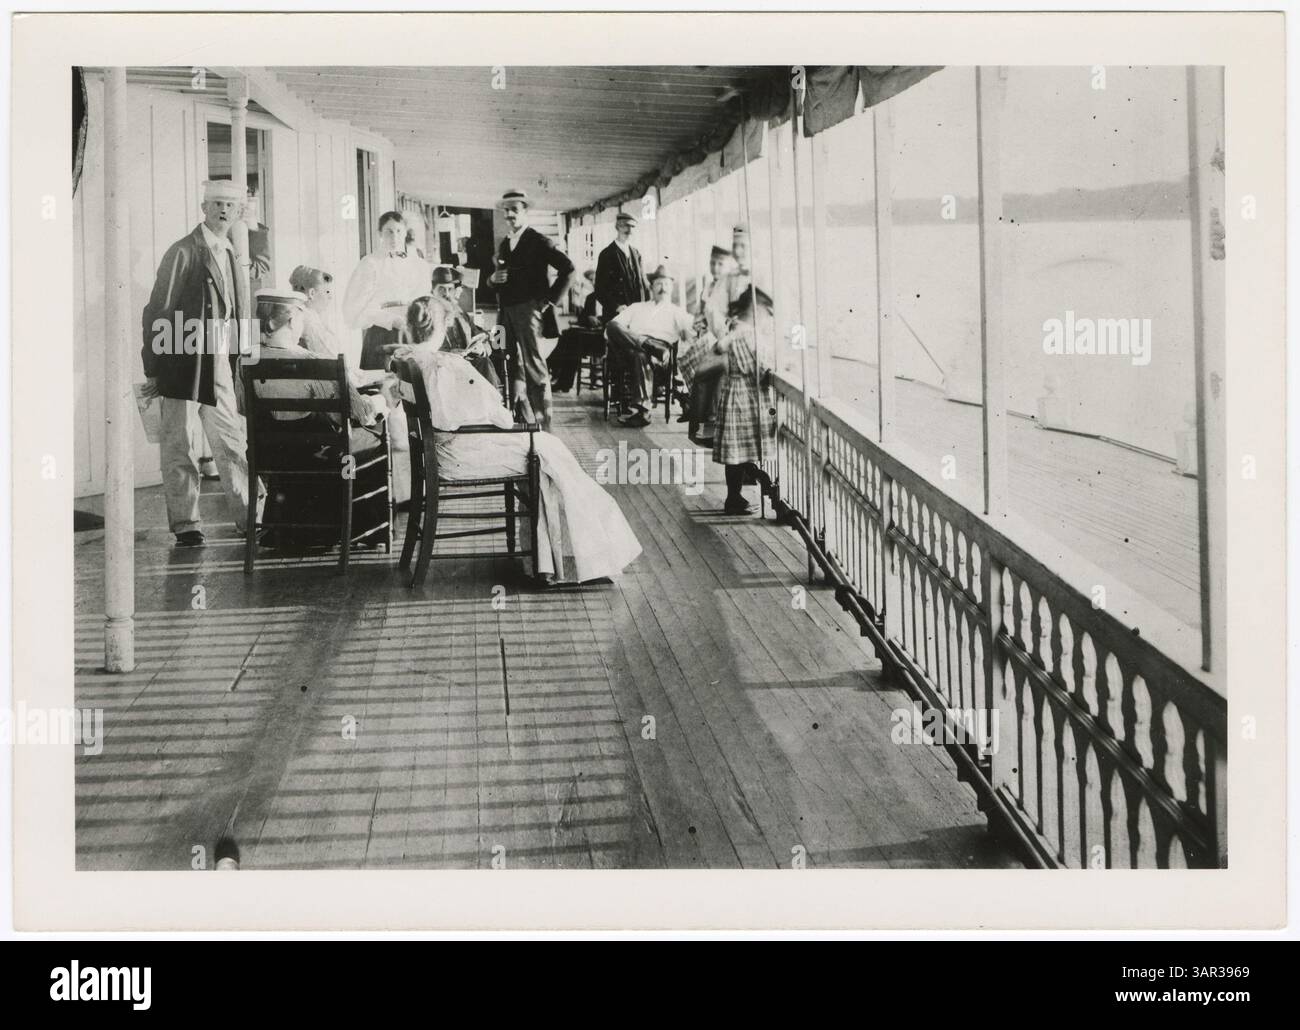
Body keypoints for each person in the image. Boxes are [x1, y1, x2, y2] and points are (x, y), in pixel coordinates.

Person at [398, 297, 641, 584]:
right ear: (441, 327)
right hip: (461, 454)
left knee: (546, 450)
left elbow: (445, 407)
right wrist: (496, 403)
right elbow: (497, 416)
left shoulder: (410, 360)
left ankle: (555, 559)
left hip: (442, 452)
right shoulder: (443, 366)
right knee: (548, 452)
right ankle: (575, 559)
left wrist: (465, 364)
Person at [139, 179, 255, 547]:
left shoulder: (232, 253)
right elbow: (157, 311)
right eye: (217, 204)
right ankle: (187, 523)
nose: (223, 211)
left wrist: (240, 360)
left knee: (231, 440)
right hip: (182, 361)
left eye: (230, 206)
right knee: (180, 443)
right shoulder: (184, 251)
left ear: (238, 213)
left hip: (219, 360)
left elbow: (237, 313)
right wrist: (154, 368)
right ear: (203, 208)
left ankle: (251, 518)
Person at [247, 289, 389, 551]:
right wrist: (383, 400)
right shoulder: (314, 362)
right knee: (376, 433)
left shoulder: (246, 359)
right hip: (317, 453)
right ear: (292, 322)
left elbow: (244, 409)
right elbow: (360, 414)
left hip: (272, 453)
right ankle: (366, 531)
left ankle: (285, 531)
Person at [490, 188, 575, 432]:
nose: (509, 215)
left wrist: (547, 302)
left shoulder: (538, 241)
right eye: (506, 210)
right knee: (500, 357)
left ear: (525, 212)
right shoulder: (506, 243)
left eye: (514, 210)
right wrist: (493, 279)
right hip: (503, 313)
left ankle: (542, 427)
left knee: (534, 367)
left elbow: (568, 269)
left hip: (528, 313)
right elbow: (498, 278)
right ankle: (516, 418)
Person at [712, 286, 777, 516]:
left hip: (734, 392)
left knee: (736, 452)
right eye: (769, 314)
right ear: (757, 310)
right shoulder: (748, 333)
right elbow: (758, 369)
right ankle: (736, 498)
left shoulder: (735, 328)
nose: (770, 320)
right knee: (741, 450)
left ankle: (735, 496)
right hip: (745, 394)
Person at [603, 264, 693, 428]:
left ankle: (643, 412)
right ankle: (646, 344)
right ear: (651, 286)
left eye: (666, 284)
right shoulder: (637, 307)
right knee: (611, 325)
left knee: (640, 355)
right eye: (659, 283)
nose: (663, 288)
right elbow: (612, 328)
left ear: (672, 287)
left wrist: (689, 332)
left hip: (661, 354)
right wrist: (641, 341)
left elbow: (689, 336)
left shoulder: (677, 311)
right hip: (631, 349)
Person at [342, 210, 432, 370]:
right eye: (388, 231)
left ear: (405, 232)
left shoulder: (417, 264)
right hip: (382, 333)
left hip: (411, 332)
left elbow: (423, 298)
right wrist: (390, 321)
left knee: (413, 384)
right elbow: (355, 308)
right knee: (383, 385)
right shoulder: (370, 264)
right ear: (380, 234)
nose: (394, 237)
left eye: (398, 231)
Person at [677, 244, 735, 443]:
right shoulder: (708, 287)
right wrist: (699, 326)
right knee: (690, 359)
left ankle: (709, 423)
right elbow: (701, 316)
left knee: (711, 373)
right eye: (713, 263)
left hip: (727, 339)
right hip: (711, 336)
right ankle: (701, 420)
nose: (716, 267)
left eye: (720, 264)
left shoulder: (731, 288)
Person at [427, 265, 501, 389]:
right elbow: (423, 351)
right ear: (432, 291)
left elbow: (477, 335)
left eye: (449, 289)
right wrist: (449, 353)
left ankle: (490, 405)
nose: (446, 294)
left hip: (467, 366)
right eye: (441, 289)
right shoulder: (425, 316)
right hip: (442, 370)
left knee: (483, 361)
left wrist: (481, 349)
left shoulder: (460, 314)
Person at [594, 211, 649, 319]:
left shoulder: (636, 254)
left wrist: (646, 306)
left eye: (633, 227)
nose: (630, 231)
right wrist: (616, 306)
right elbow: (599, 289)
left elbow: (643, 284)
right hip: (616, 314)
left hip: (636, 313)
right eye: (626, 226)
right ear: (618, 227)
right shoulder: (606, 254)